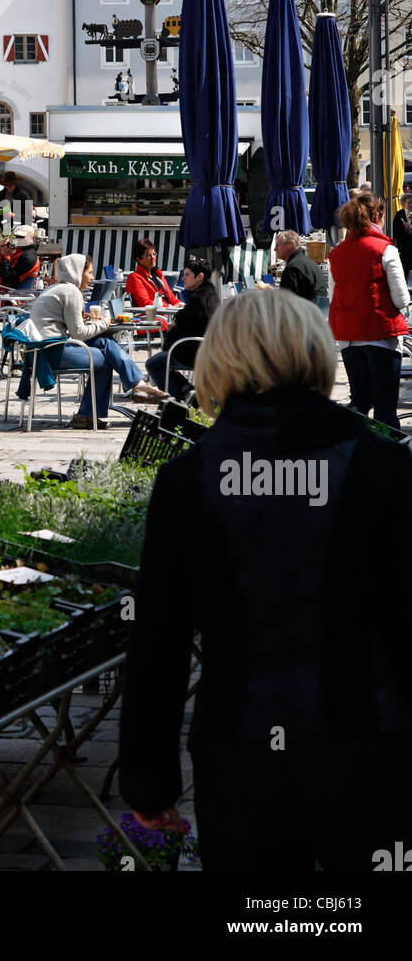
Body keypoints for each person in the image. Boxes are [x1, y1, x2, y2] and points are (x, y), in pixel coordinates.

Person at [118, 289, 412, 872]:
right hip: (367, 744)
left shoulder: (189, 478)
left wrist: (149, 785)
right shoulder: (384, 467)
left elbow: (159, 641)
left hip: (242, 749)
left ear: (216, 362)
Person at [21, 253, 165, 428]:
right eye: (89, 272)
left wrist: (92, 323)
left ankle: (93, 412)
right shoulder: (71, 291)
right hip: (51, 351)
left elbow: (69, 327)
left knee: (104, 345)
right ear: (78, 272)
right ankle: (134, 386)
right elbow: (79, 333)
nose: (92, 277)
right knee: (106, 356)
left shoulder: (58, 289)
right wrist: (104, 323)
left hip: (41, 350)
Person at [328, 190, 410, 430]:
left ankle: (354, 452)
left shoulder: (336, 253)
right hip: (381, 335)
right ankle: (390, 460)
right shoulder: (385, 249)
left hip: (349, 338)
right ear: (378, 216)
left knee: (360, 403)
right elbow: (401, 297)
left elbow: (334, 296)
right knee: (385, 408)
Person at [145, 255, 218, 401]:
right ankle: (186, 389)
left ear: (199, 277)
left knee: (153, 364)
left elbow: (187, 327)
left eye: (187, 275)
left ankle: (180, 399)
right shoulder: (210, 294)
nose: (183, 278)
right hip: (209, 349)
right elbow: (189, 319)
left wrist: (171, 330)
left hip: (195, 352)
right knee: (161, 361)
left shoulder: (198, 298)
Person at [125, 239, 182, 309]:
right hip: (153, 317)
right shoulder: (134, 278)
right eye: (148, 255)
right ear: (139, 259)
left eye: (154, 254)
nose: (153, 258)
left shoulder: (158, 275)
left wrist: (180, 304)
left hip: (167, 314)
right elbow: (145, 303)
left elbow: (172, 298)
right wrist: (170, 307)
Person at [275, 230, 327, 303]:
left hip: (305, 312)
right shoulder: (307, 263)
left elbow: (286, 303)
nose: (275, 249)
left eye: (277, 245)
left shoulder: (293, 268)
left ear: (290, 244)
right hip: (317, 312)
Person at [0, 225, 40, 291]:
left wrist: (6, 255)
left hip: (13, 296)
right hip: (5, 292)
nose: (18, 239)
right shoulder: (19, 251)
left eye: (21, 237)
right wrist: (2, 252)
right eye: (16, 236)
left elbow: (7, 279)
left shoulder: (28, 256)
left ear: (31, 238)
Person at [392, 192, 412, 281]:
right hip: (403, 245)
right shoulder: (399, 214)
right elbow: (395, 231)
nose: (411, 204)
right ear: (403, 204)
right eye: (409, 203)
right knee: (404, 267)